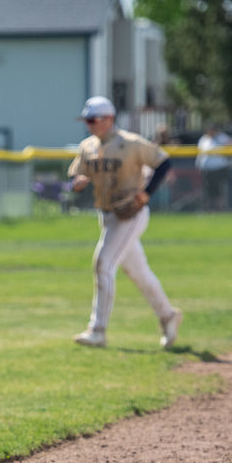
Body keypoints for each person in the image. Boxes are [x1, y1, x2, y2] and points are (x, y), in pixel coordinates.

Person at [67, 95, 181, 349]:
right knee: (138, 272)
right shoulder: (87, 147)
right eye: (86, 120)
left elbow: (163, 162)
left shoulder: (131, 143)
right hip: (107, 215)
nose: (89, 124)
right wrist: (77, 183)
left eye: (93, 119)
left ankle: (97, 330)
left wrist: (146, 194)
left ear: (109, 119)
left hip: (131, 214)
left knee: (103, 263)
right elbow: (75, 176)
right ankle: (168, 316)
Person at [195, 124, 232, 211]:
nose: (210, 131)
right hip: (205, 169)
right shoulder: (204, 139)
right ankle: (207, 209)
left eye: (212, 129)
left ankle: (220, 209)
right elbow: (199, 153)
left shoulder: (221, 137)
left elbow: (231, 144)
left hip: (218, 168)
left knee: (218, 191)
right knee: (206, 191)